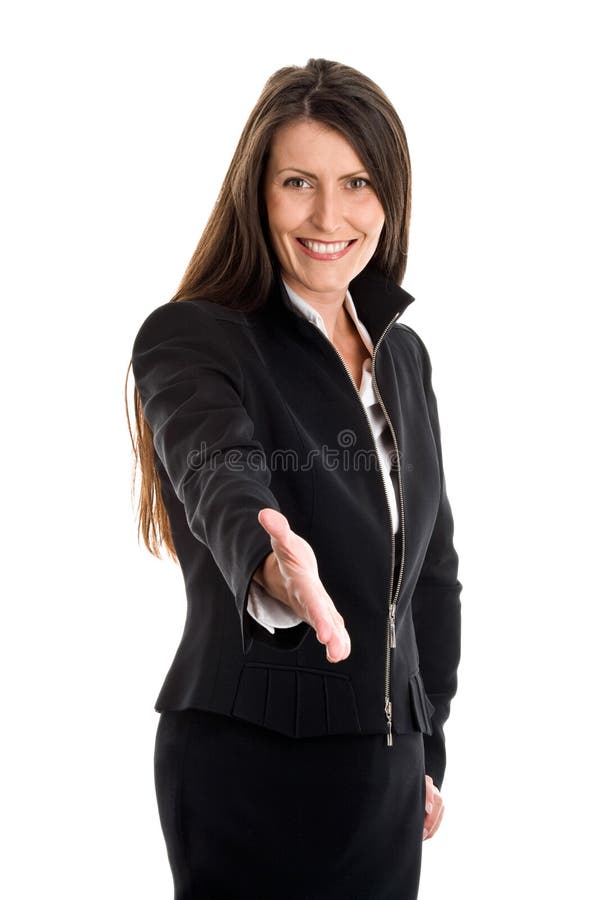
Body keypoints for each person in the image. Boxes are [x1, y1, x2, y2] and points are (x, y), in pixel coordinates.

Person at [128, 57, 462, 900]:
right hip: (250, 765)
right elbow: (218, 469)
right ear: (258, 192)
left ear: (389, 197)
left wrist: (427, 741)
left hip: (386, 775)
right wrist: (272, 567)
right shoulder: (193, 337)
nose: (328, 217)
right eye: (298, 183)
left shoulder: (403, 357)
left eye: (356, 183)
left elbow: (430, 572)